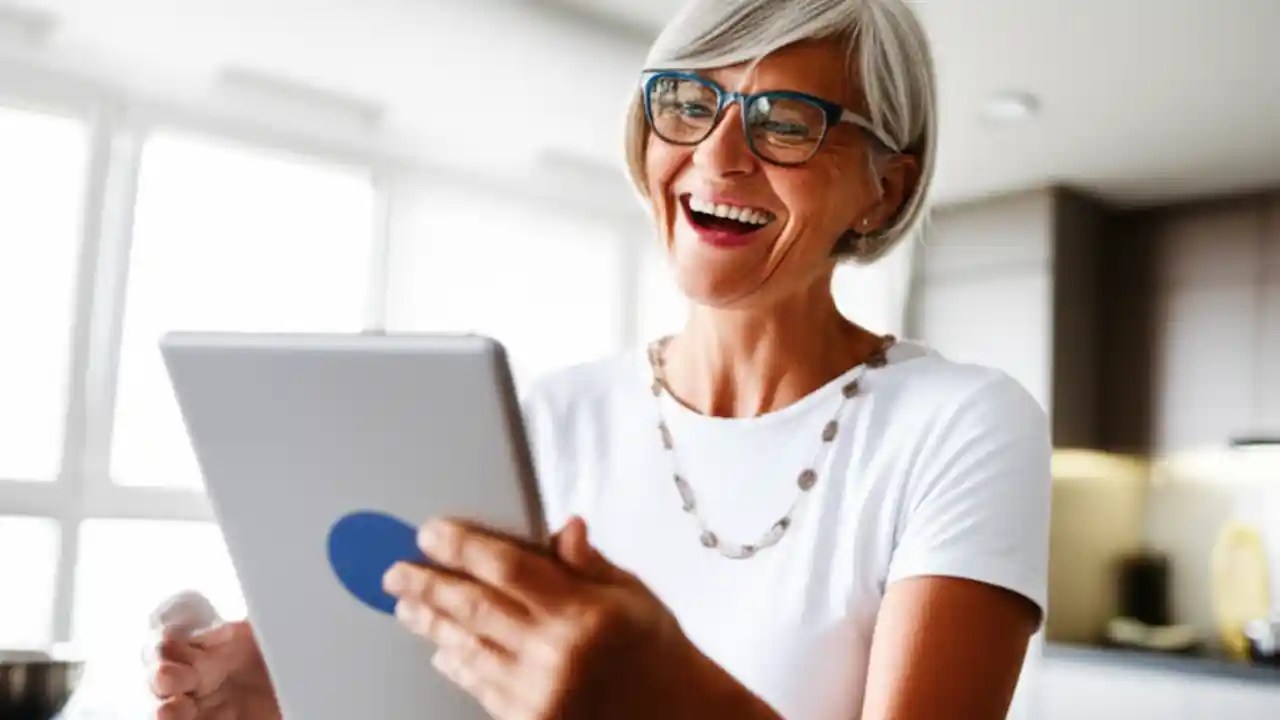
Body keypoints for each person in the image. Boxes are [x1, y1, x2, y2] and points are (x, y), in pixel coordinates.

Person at [147, 1, 1051, 718]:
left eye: (784, 122)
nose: (718, 154)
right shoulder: (548, 417)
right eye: (690, 103)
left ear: (882, 187)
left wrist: (664, 699)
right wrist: (310, 702)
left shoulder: (959, 425)